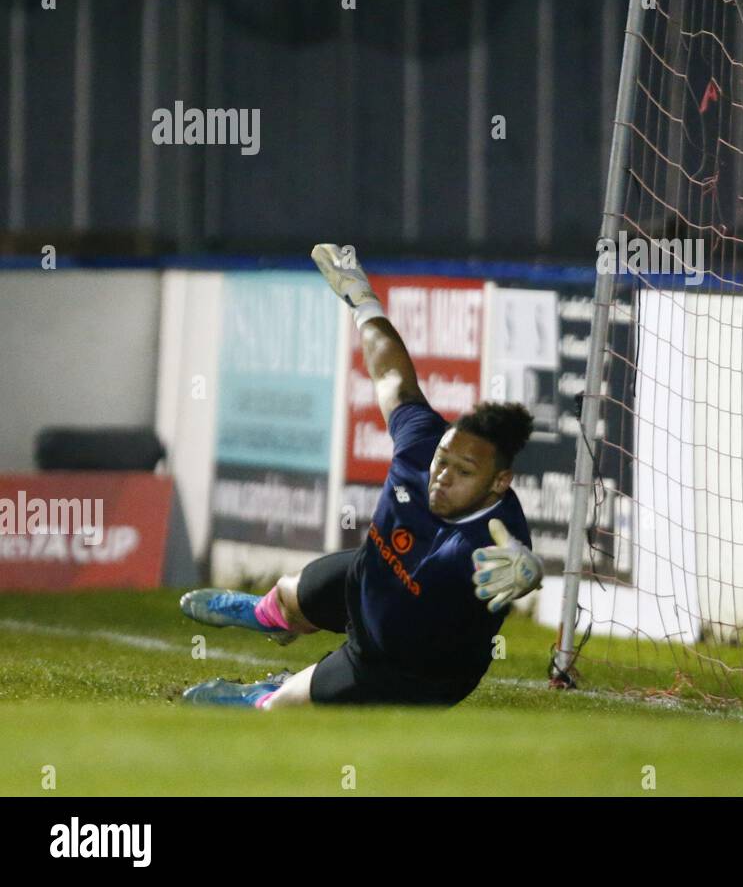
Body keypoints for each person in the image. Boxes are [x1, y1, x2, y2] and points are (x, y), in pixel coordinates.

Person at [179, 243, 543, 708]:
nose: (442, 475)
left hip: (409, 668)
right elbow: (391, 373)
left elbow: (516, 562)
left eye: (464, 471)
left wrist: (529, 572)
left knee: (280, 715)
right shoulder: (420, 444)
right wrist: (362, 301)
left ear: (499, 482)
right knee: (292, 596)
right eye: (443, 459)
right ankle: (266, 615)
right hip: (368, 579)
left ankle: (267, 693)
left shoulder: (492, 537)